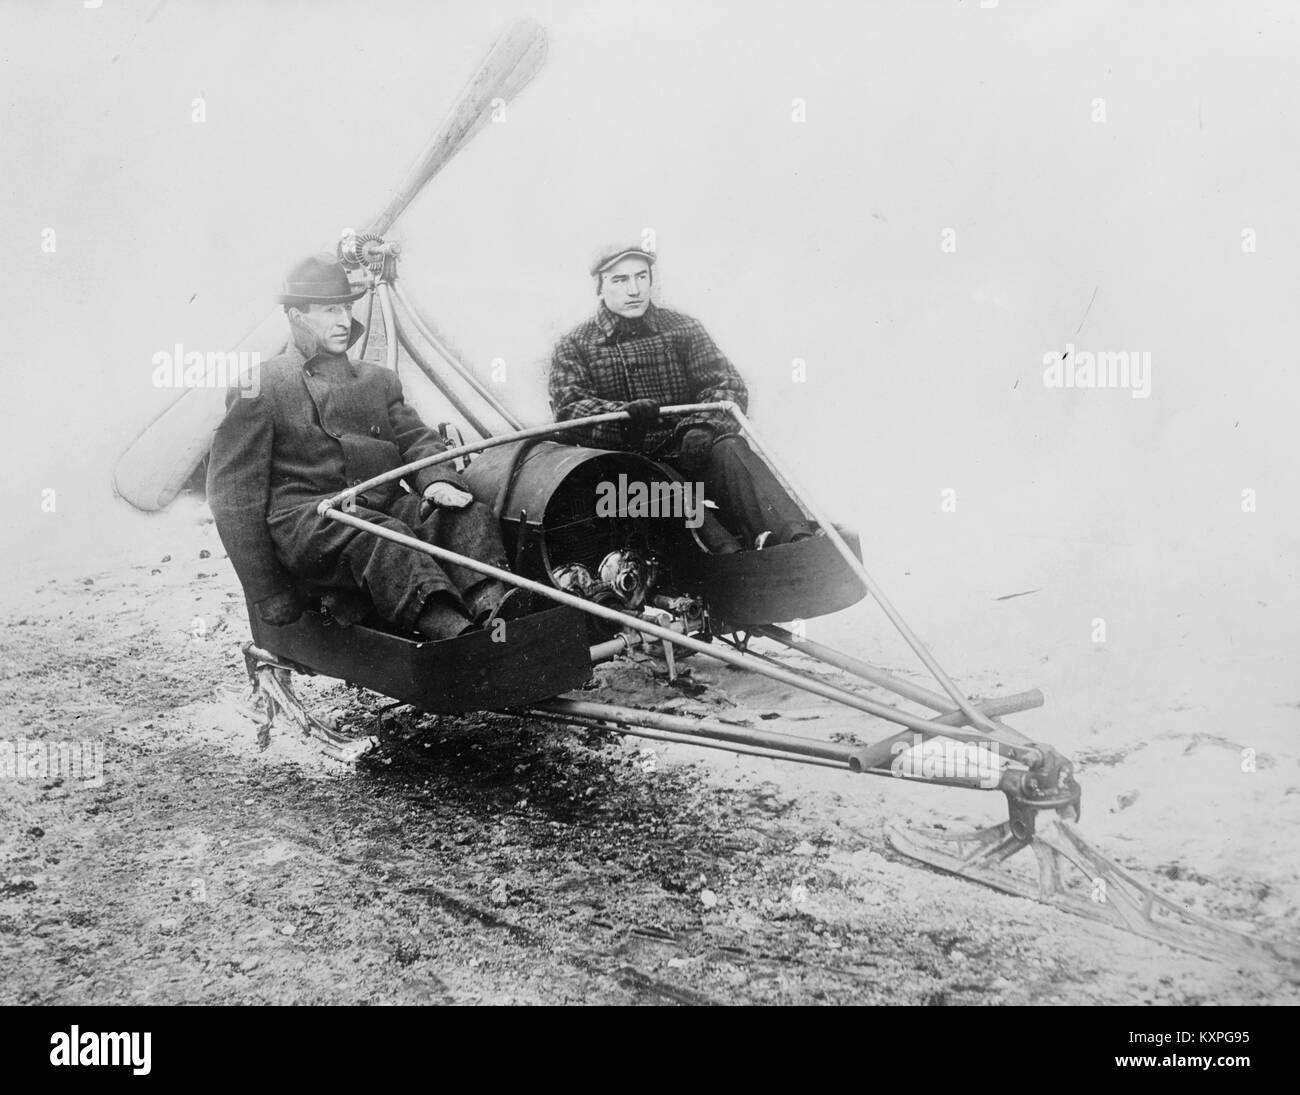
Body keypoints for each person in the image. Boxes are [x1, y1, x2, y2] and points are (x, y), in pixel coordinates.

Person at [208, 254, 523, 640]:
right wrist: (267, 590)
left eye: (346, 307)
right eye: (327, 310)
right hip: (310, 522)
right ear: (295, 317)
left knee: (466, 516)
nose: (343, 320)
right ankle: (456, 639)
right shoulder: (262, 386)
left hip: (382, 506)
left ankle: (500, 621)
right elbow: (233, 497)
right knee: (387, 541)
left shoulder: (377, 380)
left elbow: (416, 438)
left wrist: (437, 482)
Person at [548, 242, 814, 551]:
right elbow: (570, 408)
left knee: (731, 449)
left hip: (690, 447)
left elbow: (725, 384)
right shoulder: (576, 345)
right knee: (663, 483)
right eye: (619, 280)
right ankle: (729, 557)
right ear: (600, 286)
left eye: (641, 277)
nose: (633, 290)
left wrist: (701, 426)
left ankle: (798, 540)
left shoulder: (683, 329)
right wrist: (624, 416)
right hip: (628, 467)